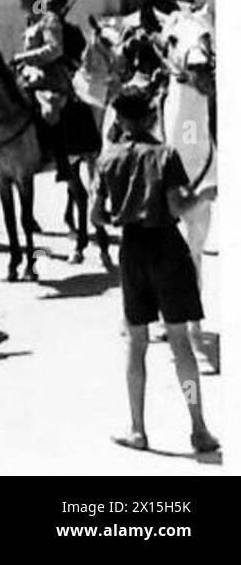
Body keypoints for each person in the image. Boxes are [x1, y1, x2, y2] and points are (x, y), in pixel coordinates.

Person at [91, 87, 219, 454]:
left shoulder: (108, 159)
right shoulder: (166, 156)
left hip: (131, 252)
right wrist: (204, 197)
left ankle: (137, 428)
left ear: (118, 119)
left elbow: (95, 216)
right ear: (151, 116)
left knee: (136, 344)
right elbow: (177, 206)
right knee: (181, 346)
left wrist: (120, 212)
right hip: (167, 250)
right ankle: (198, 427)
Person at [11, 0, 72, 181]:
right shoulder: (32, 20)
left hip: (50, 80)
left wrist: (23, 57)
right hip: (30, 78)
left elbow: (55, 49)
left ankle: (61, 161)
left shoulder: (49, 19)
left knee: (49, 111)